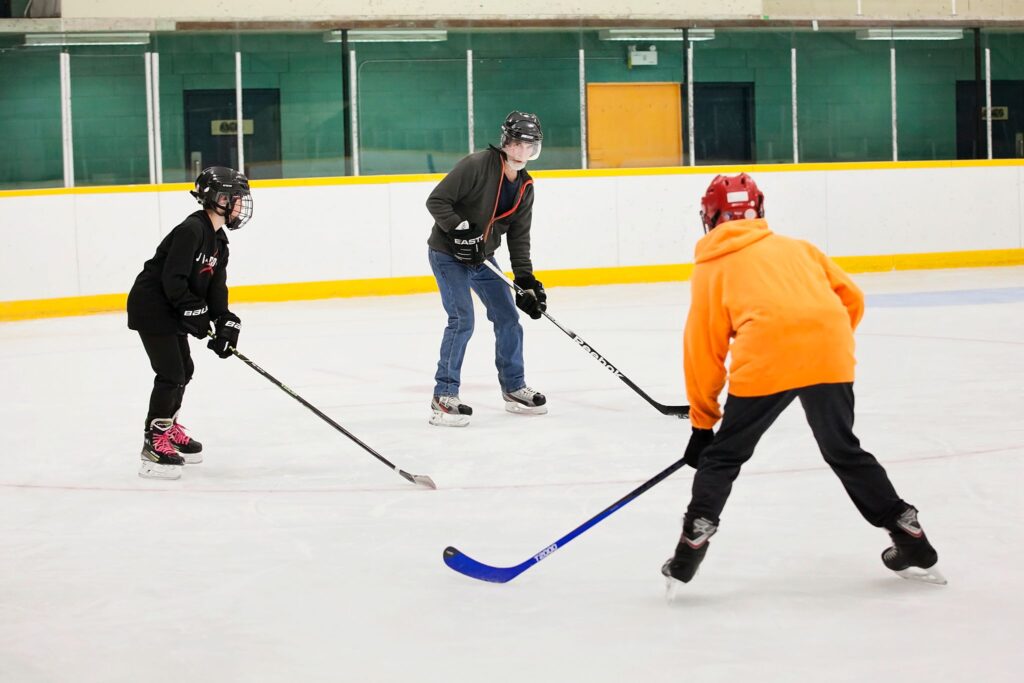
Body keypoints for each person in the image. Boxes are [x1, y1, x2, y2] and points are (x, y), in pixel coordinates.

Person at [663, 173, 944, 586]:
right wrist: (823, 342)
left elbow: (703, 352)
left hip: (766, 360)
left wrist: (703, 424)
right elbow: (852, 297)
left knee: (723, 456)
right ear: (758, 210)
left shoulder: (711, 268)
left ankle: (694, 540)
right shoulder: (800, 248)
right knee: (843, 449)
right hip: (829, 353)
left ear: (708, 217)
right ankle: (907, 532)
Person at [127, 166, 252, 479]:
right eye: (236, 198)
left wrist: (224, 321)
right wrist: (194, 313)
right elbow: (173, 280)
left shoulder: (219, 242)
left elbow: (216, 288)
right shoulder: (191, 230)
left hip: (172, 307)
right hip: (153, 308)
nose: (240, 205)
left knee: (185, 369)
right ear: (218, 199)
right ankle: (153, 444)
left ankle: (168, 427)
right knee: (170, 373)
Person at [424, 111, 549, 427]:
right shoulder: (478, 165)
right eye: (519, 143)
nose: (523, 152)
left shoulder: (525, 186)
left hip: (483, 259)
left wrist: (526, 280)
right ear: (506, 142)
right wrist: (459, 229)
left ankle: (514, 387)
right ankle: (444, 396)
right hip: (448, 255)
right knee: (462, 318)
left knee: (508, 316)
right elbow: (436, 200)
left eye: (530, 145)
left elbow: (519, 237)